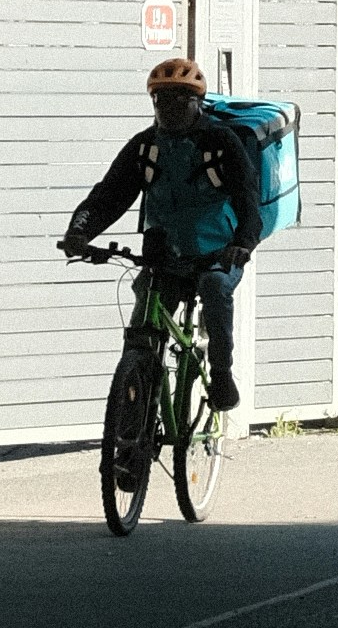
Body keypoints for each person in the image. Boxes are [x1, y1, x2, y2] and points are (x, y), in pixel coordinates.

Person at [61, 55, 267, 421]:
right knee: (142, 325)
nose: (169, 108)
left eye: (180, 100)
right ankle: (134, 418)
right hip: (163, 255)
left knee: (217, 290)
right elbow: (109, 195)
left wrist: (243, 244)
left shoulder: (222, 142)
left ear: (197, 103)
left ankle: (221, 374)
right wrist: (79, 232)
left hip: (217, 252)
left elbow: (249, 199)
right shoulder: (145, 146)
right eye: (161, 100)